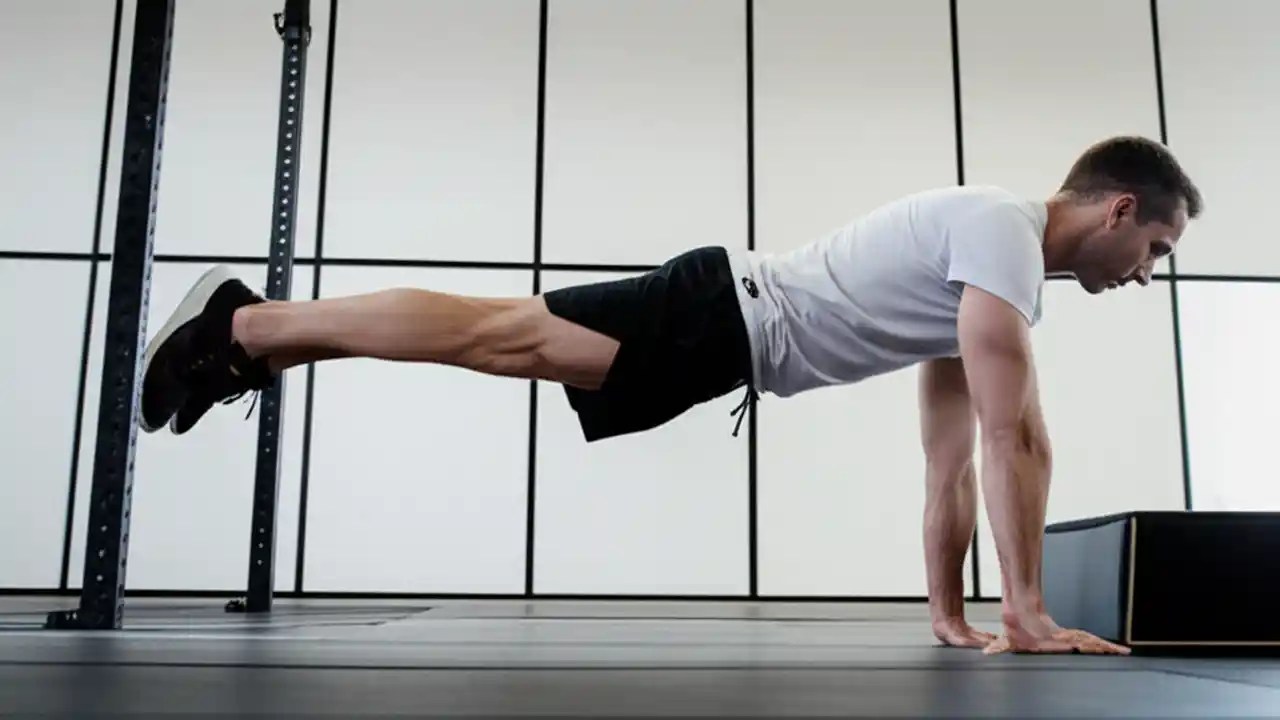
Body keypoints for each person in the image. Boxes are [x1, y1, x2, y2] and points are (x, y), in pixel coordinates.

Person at [138, 135, 1200, 656]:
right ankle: (249, 328)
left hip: (720, 334)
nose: (1146, 274)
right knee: (494, 337)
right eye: (1155, 248)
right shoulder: (1001, 236)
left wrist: (950, 613)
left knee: (495, 343)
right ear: (1116, 210)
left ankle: (255, 340)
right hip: (718, 314)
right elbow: (1019, 435)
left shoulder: (980, 276)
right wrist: (1026, 613)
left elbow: (953, 460)